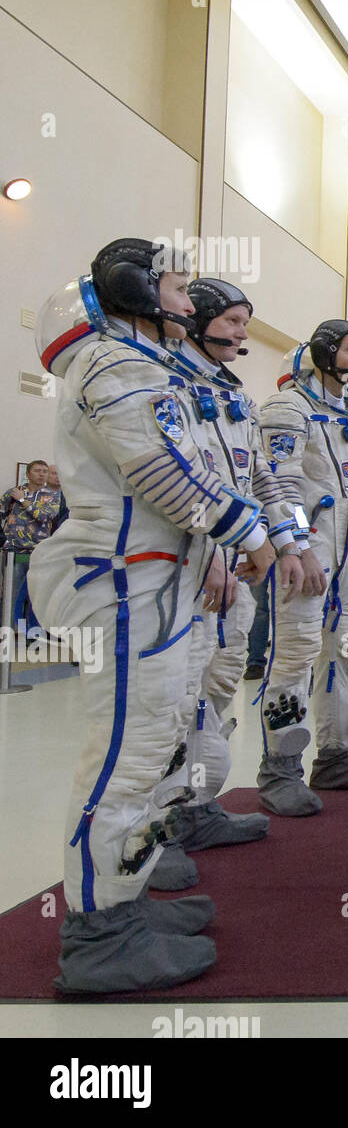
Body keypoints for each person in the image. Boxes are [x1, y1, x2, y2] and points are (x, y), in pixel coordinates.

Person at [27, 239, 275, 992]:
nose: (187, 296)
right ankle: (98, 934)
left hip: (160, 581)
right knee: (126, 759)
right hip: (126, 582)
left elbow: (203, 470)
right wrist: (254, 537)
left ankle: (125, 902)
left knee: (158, 747)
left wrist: (227, 552)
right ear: (135, 289)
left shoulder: (146, 364)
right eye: (174, 282)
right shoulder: (115, 364)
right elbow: (161, 473)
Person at [154, 275, 308, 867]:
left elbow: (262, 477)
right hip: (186, 572)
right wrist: (223, 546)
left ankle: (195, 805)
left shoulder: (236, 399)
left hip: (234, 579)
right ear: (196, 319)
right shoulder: (165, 382)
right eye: (232, 321)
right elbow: (178, 481)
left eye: (246, 323)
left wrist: (289, 539)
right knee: (173, 700)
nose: (242, 333)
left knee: (218, 690)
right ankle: (156, 827)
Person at [256, 320, 348, 815]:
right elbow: (280, 485)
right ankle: (280, 769)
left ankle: (336, 756)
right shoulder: (288, 409)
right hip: (309, 555)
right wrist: (300, 545)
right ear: (324, 353)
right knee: (295, 655)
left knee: (344, 653)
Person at [2, 459, 61, 633]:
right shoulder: (14, 493)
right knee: (12, 593)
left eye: (44, 471)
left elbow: (45, 516)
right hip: (14, 552)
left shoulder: (52, 495)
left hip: (39, 552)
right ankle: (13, 631)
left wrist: (23, 501)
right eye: (37, 470)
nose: (41, 474)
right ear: (27, 474)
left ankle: (32, 632)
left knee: (36, 595)